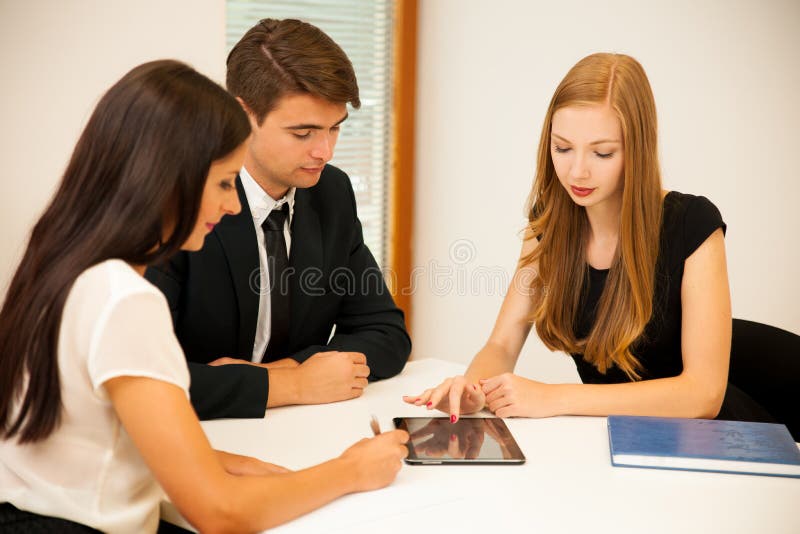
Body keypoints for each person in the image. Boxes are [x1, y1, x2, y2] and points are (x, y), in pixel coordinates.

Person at [0, 60, 408, 533]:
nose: (233, 204)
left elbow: (90, 429)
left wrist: (213, 461)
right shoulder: (124, 299)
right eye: (221, 183)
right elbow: (221, 514)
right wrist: (350, 470)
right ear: (164, 179)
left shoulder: (64, 261)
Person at [405, 52, 786, 428]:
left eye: (602, 152)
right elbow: (502, 344)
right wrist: (472, 387)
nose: (578, 171)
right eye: (563, 148)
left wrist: (553, 396)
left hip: (729, 436)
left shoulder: (693, 224)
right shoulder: (549, 224)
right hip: (624, 440)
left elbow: (702, 395)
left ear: (637, 149)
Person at [146, 18, 411, 420]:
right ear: (241, 115)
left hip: (290, 430)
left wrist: (284, 373)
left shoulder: (331, 192)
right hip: (194, 437)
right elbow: (146, 379)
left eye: (334, 129)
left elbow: (386, 335)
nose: (325, 151)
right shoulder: (181, 201)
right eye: (303, 133)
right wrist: (296, 385)